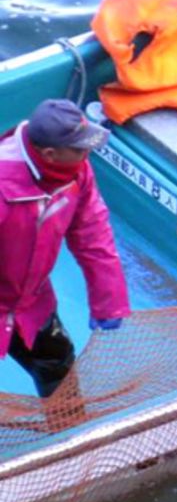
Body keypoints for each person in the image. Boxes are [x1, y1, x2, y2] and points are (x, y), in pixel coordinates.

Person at [0, 99, 130, 398]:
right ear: (50, 154)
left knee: (57, 362)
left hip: (32, 302)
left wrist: (109, 301)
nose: (88, 154)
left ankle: (70, 433)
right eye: (80, 148)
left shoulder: (77, 171)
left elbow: (93, 232)